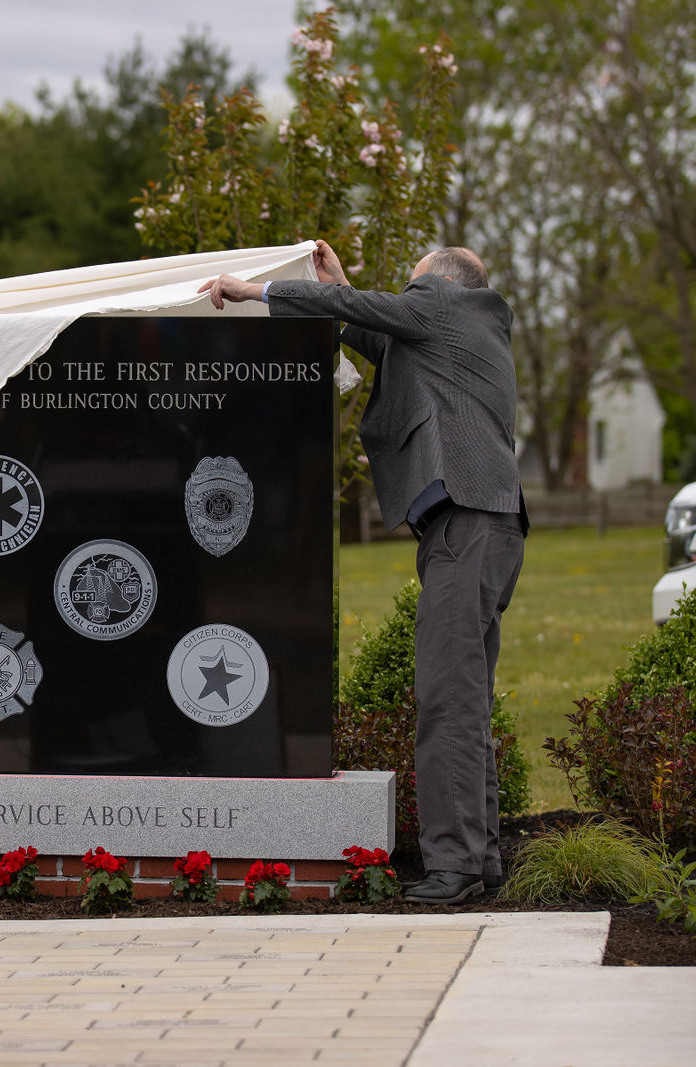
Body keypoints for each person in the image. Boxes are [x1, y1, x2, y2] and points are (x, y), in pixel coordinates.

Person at [200, 242, 528, 905]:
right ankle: (479, 858)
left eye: (412, 286)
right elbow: (381, 338)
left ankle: (454, 868)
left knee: (446, 699)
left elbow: (373, 310)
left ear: (437, 283)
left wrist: (256, 289)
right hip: (480, 525)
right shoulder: (462, 327)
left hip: (467, 523)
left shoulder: (442, 302)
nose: (407, 297)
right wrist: (342, 285)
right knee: (464, 695)